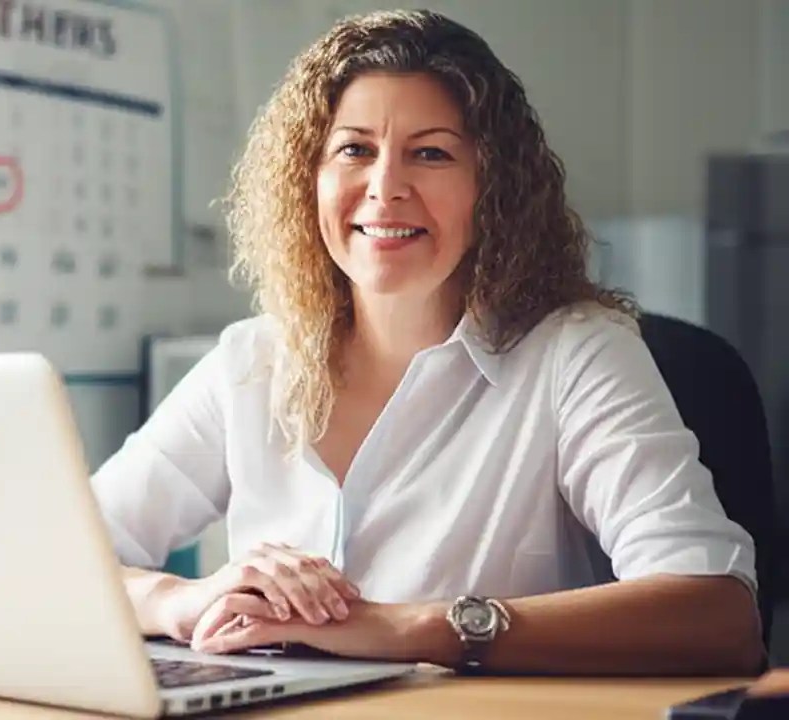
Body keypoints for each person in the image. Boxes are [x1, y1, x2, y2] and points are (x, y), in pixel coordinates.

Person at [89, 9, 764, 675]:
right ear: (308, 178)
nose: (385, 188)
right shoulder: (251, 360)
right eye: (354, 149)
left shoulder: (576, 355)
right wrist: (185, 600)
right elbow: (51, 559)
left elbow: (717, 616)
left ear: (491, 188)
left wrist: (408, 627)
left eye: (431, 153)